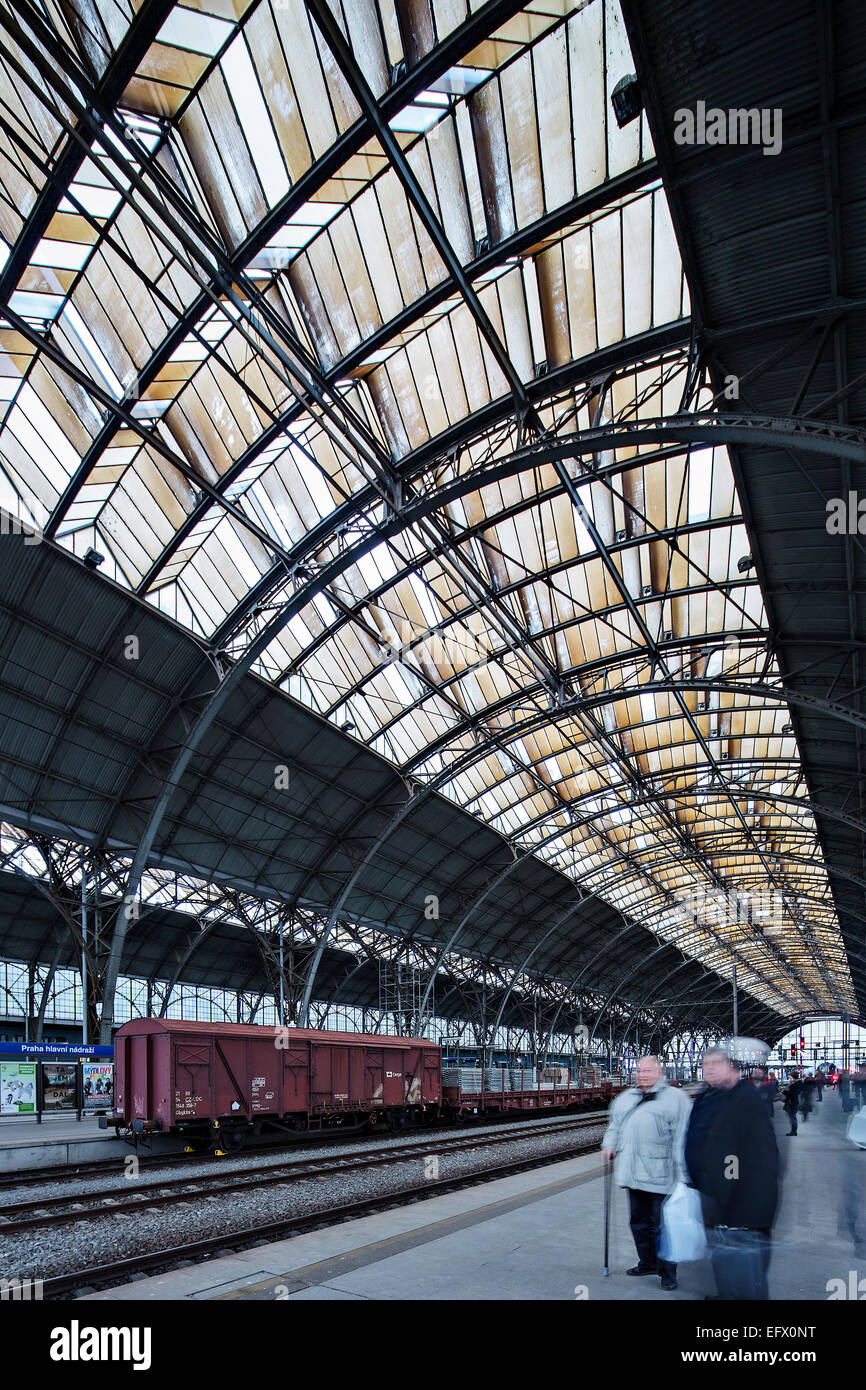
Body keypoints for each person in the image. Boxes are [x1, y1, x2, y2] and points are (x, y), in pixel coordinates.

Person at [685, 1045, 779, 1300]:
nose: (710, 1068)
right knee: (727, 1269)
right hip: (719, 1203)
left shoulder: (742, 1100)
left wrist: (724, 1201)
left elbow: (735, 1158)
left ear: (732, 1067)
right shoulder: (713, 1095)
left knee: (745, 1281)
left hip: (738, 1210)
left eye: (717, 1063)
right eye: (706, 1064)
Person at [601, 1055, 691, 1291]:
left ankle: (668, 1272)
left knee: (664, 1227)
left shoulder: (676, 1099)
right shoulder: (625, 1098)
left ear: (660, 1072)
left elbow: (683, 1138)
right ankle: (647, 1262)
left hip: (662, 1174)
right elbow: (615, 1126)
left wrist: (684, 1175)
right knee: (638, 1223)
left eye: (648, 1071)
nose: (642, 1075)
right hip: (633, 1173)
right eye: (639, 1071)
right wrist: (609, 1145)